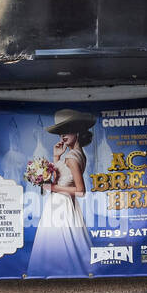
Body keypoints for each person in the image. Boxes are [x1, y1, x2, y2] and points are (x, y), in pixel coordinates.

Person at [27, 108, 95, 277]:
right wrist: (56, 157)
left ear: (78, 131)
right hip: (61, 203)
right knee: (59, 244)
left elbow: (80, 191)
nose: (63, 136)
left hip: (62, 205)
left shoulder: (72, 157)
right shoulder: (76, 154)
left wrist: (54, 188)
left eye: (67, 131)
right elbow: (63, 177)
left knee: (59, 243)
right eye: (60, 133)